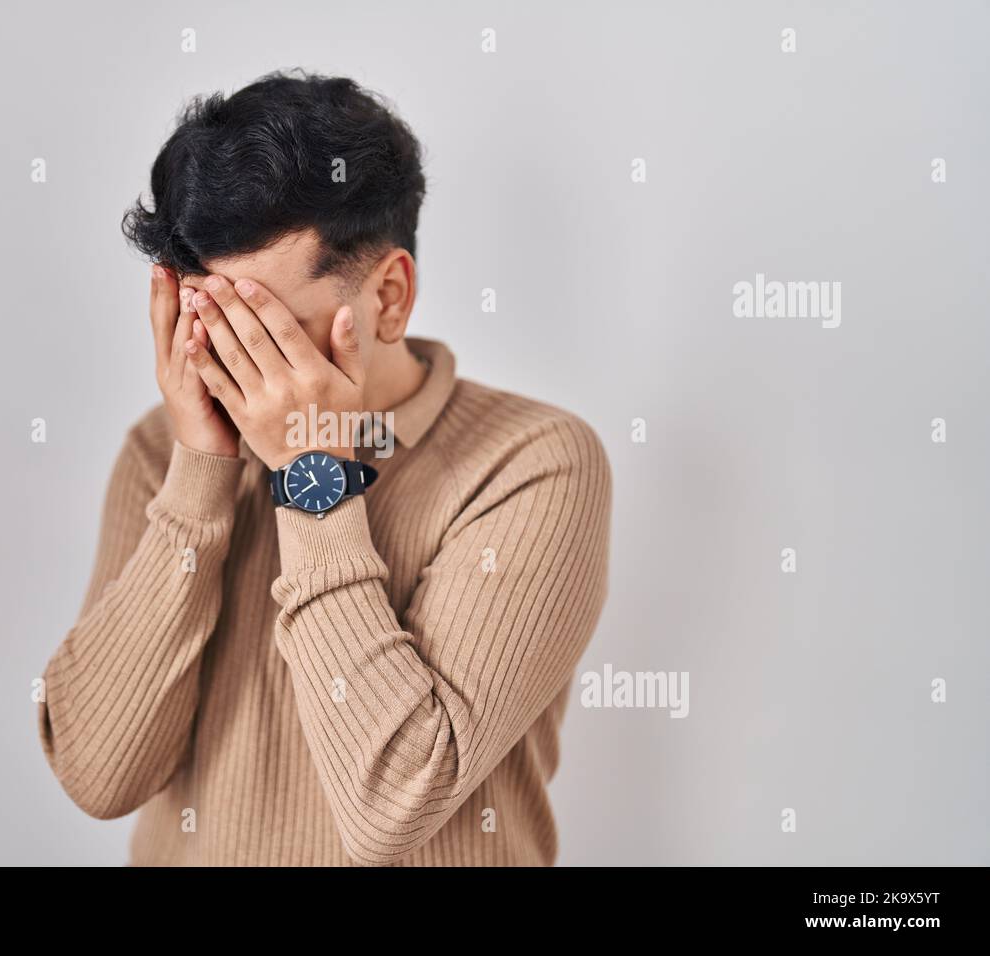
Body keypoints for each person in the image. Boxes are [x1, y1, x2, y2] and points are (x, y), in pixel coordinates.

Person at [36, 70, 612, 866]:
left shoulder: (530, 464)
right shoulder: (161, 451)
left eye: (267, 331)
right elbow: (97, 776)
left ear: (389, 298)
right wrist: (200, 475)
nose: (232, 367)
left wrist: (312, 472)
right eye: (211, 322)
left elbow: (391, 804)